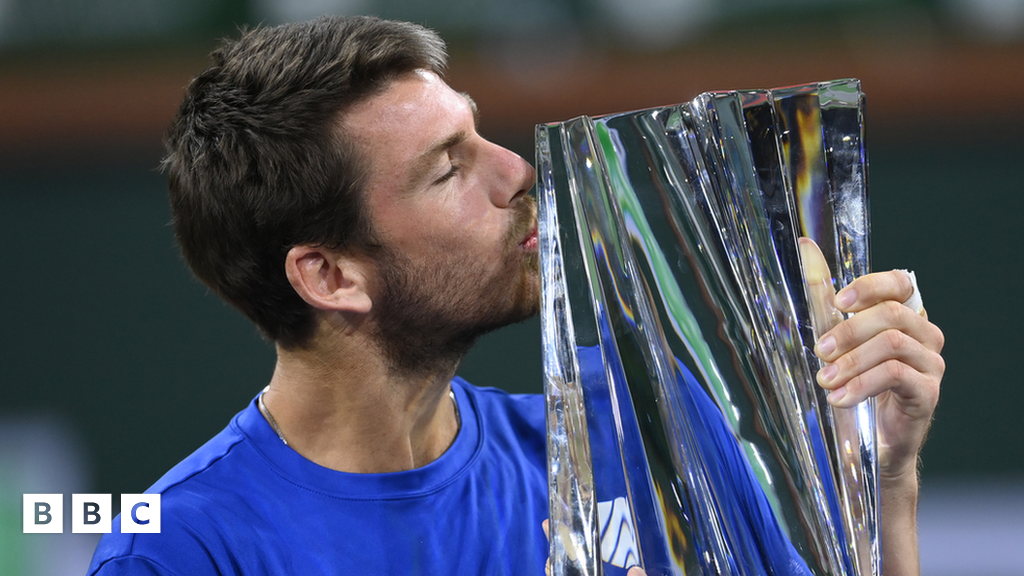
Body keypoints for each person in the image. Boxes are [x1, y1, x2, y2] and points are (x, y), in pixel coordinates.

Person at [86, 15, 945, 576]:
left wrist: (881, 479)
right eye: (447, 169)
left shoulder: (638, 427)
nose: (516, 171)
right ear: (330, 276)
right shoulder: (183, 549)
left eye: (478, 130)